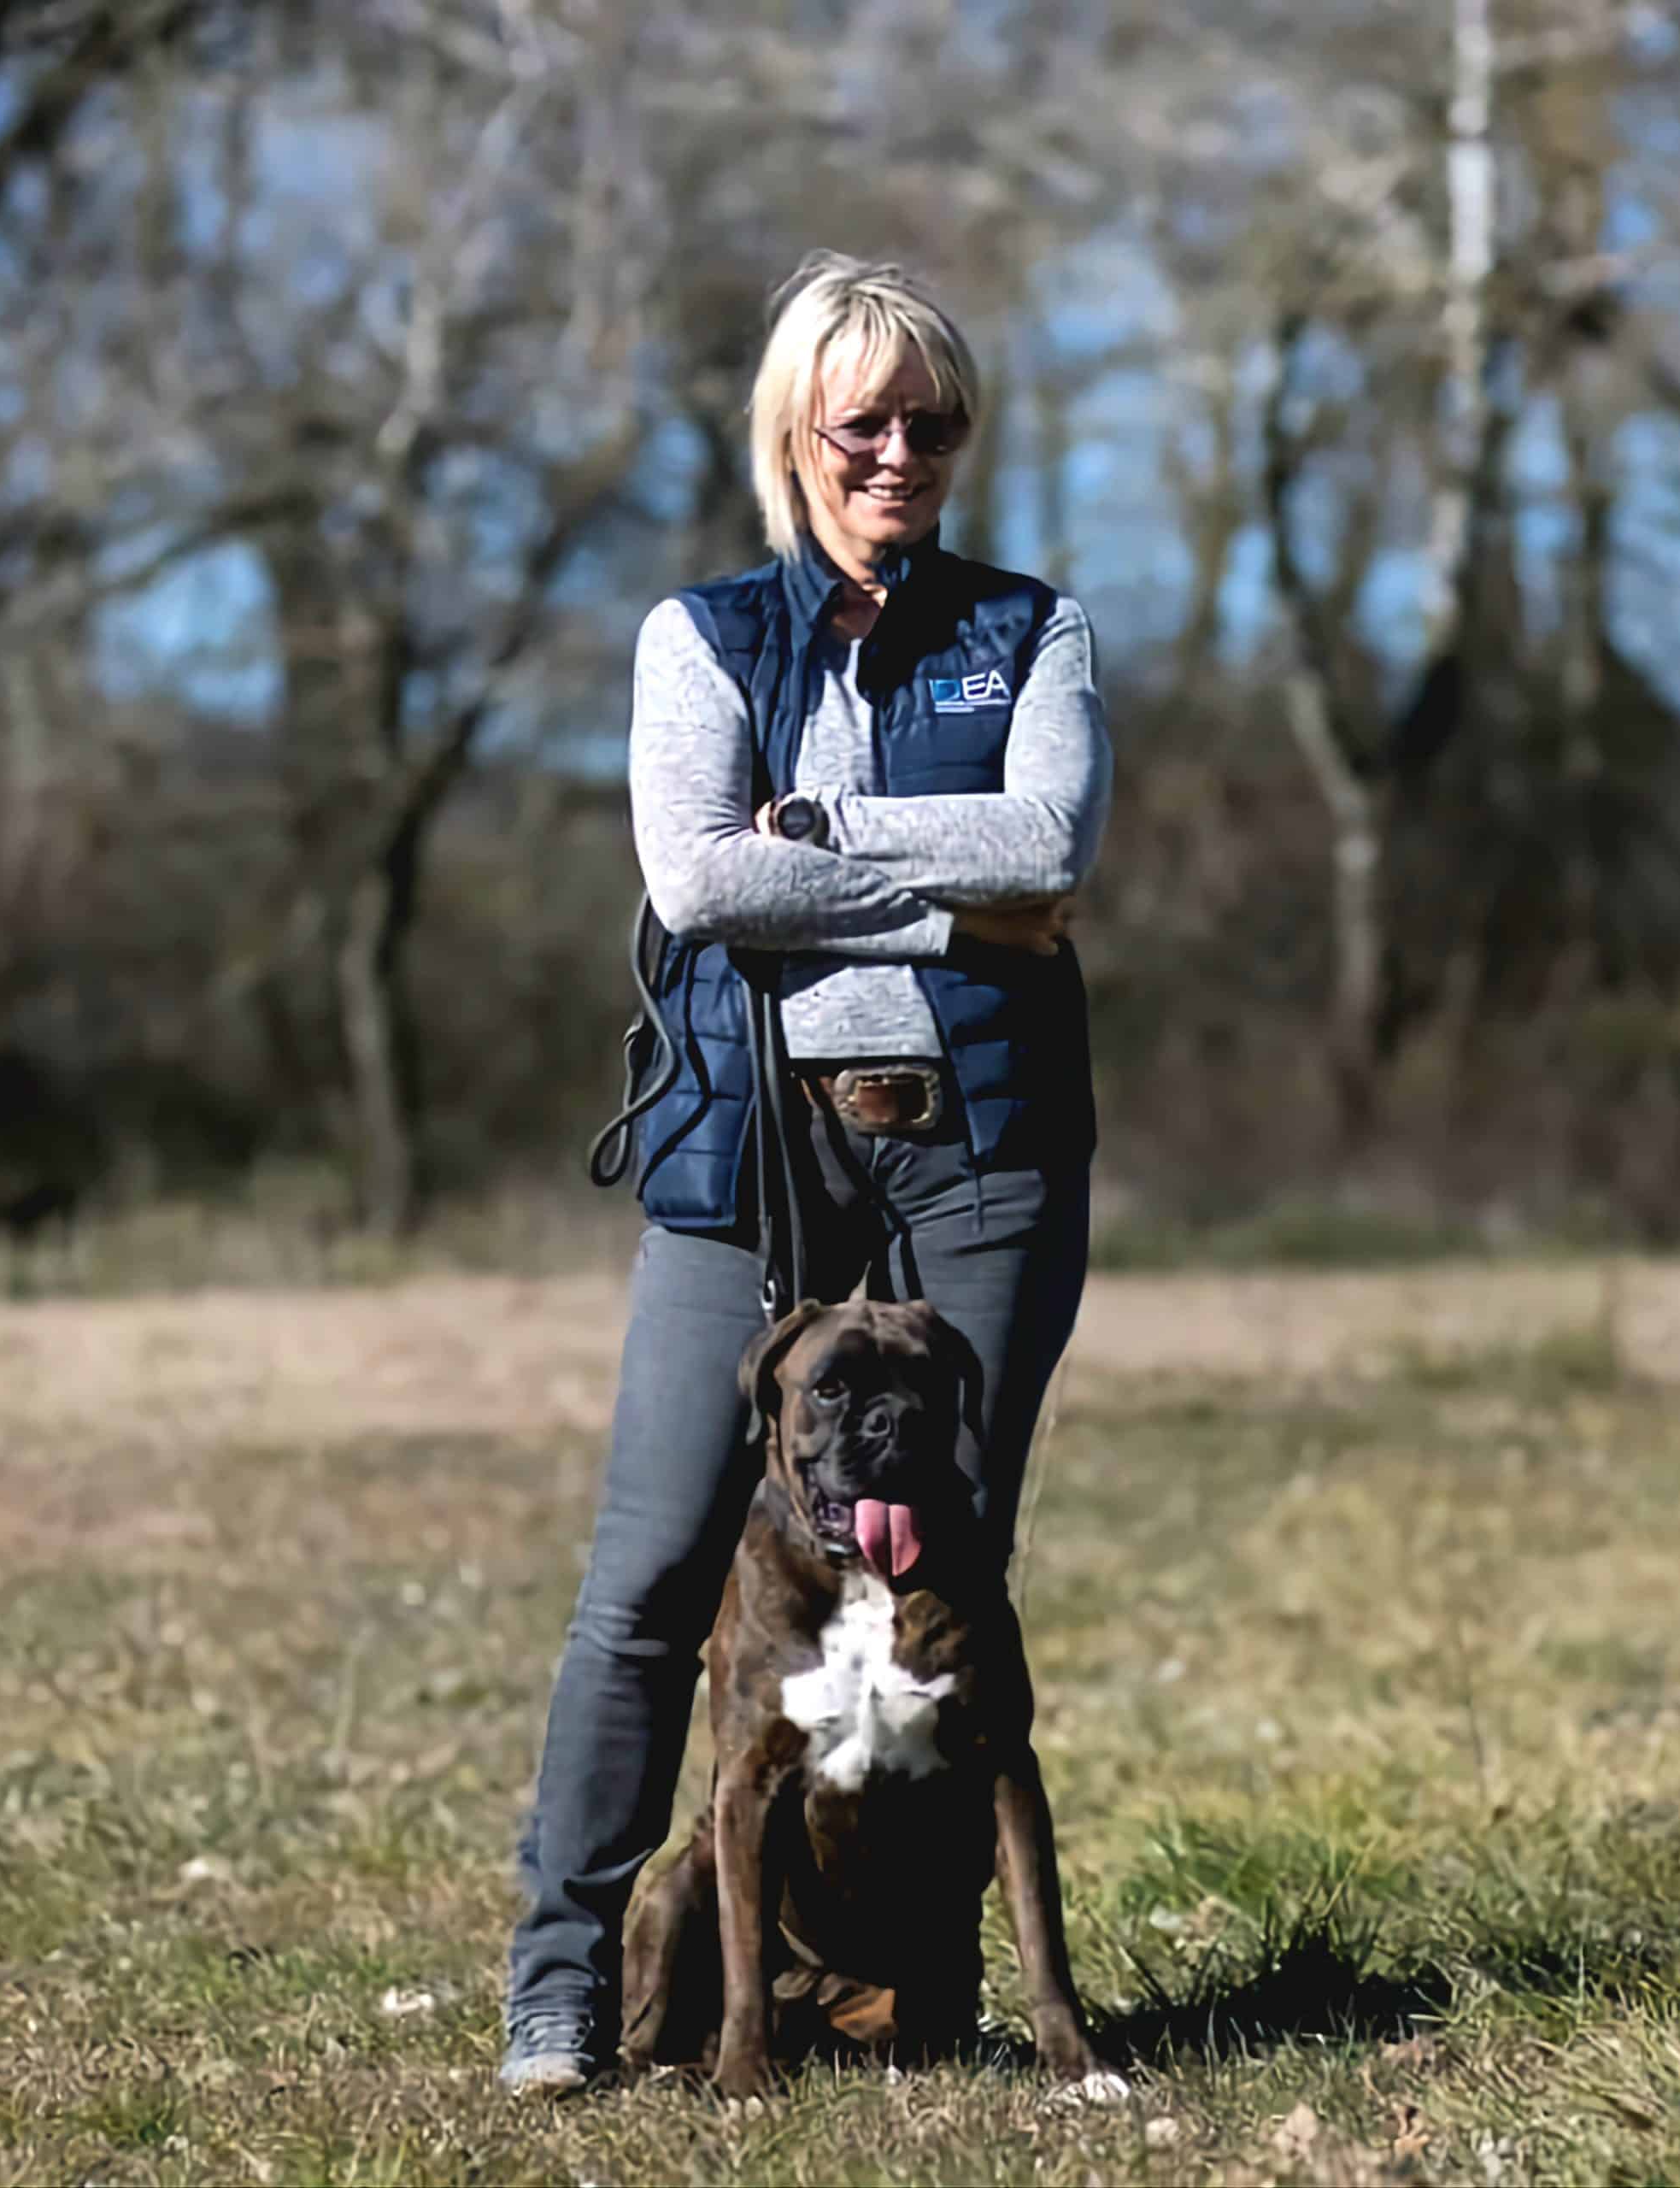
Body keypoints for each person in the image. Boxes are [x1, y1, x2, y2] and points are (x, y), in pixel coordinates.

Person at [501, 250, 1113, 2095]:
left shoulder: (1034, 631)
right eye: (866, 420)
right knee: (651, 1568)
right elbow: (695, 879)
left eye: (933, 421)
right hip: (748, 1146)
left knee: (950, 1568)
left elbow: (1056, 837)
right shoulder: (699, 638)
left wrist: (822, 830)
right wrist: (956, 897)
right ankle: (564, 1980)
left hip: (983, 1148)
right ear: (796, 430)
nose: (900, 452)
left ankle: (910, 1971)